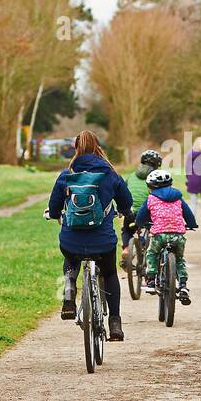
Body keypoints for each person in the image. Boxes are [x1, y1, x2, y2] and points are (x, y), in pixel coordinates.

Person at [47, 131, 133, 340]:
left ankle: (68, 292)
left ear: (76, 148)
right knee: (110, 273)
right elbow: (126, 202)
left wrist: (56, 214)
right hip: (103, 240)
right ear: (98, 147)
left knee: (71, 258)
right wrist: (123, 210)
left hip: (72, 239)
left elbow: (54, 206)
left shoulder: (67, 174)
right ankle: (115, 323)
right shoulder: (110, 173)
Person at [134, 168, 198, 304]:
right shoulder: (178, 197)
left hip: (159, 235)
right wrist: (192, 224)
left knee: (151, 253)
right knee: (180, 260)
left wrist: (139, 224)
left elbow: (140, 216)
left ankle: (151, 281)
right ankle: (182, 285)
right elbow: (188, 214)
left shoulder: (151, 198)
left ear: (150, 187)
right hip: (178, 235)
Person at [121, 148, 163, 267]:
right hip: (147, 212)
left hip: (131, 211)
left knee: (127, 229)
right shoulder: (157, 177)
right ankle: (145, 248)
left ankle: (126, 249)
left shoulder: (132, 175)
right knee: (152, 230)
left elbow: (123, 191)